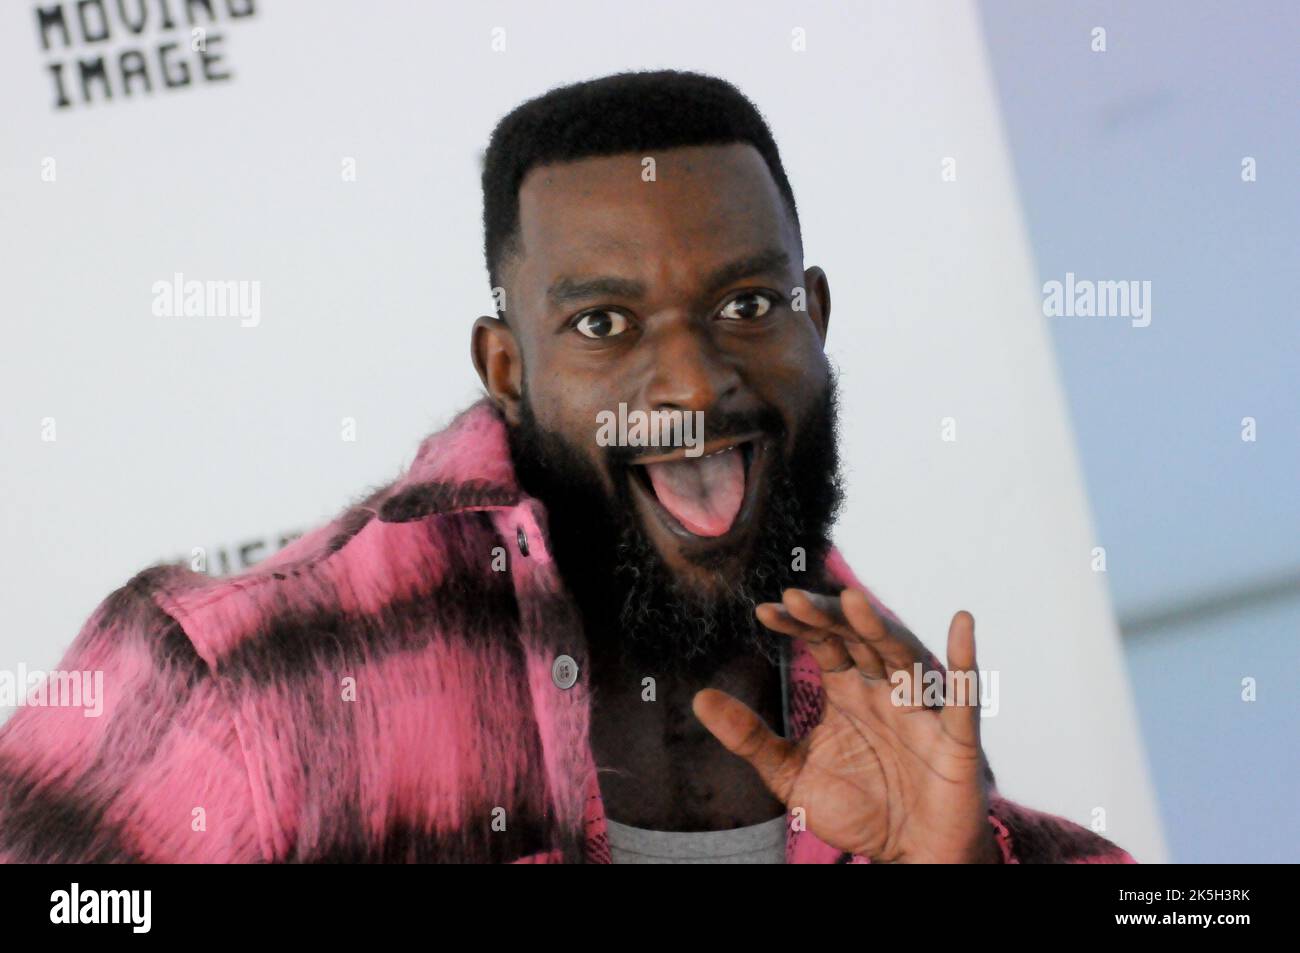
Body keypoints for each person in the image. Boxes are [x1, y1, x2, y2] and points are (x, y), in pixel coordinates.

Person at [0, 70, 1134, 864]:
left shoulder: (890, 710)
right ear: (507, 366)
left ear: (814, 318)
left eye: (746, 305)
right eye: (604, 325)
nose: (692, 385)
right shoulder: (240, 677)